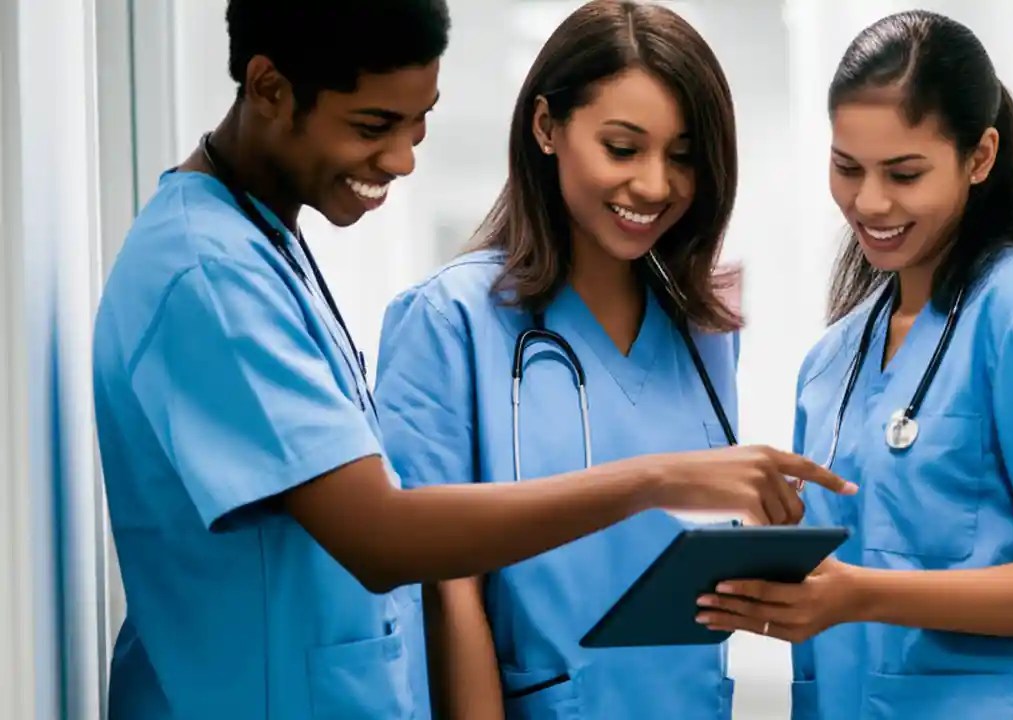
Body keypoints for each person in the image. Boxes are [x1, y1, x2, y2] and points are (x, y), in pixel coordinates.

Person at [90, 1, 854, 718]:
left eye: (418, 126)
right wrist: (659, 479)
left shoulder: (266, 247)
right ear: (269, 89)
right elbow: (387, 540)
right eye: (374, 124)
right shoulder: (212, 273)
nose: (402, 160)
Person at [693, 10, 1013, 720]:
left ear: (980, 157)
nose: (869, 202)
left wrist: (862, 595)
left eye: (904, 173)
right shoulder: (833, 361)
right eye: (847, 168)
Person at [372, 2, 753, 718]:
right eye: (623, 148)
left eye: (682, 156)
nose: (655, 185)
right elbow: (444, 588)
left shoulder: (706, 333)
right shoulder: (450, 320)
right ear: (546, 127)